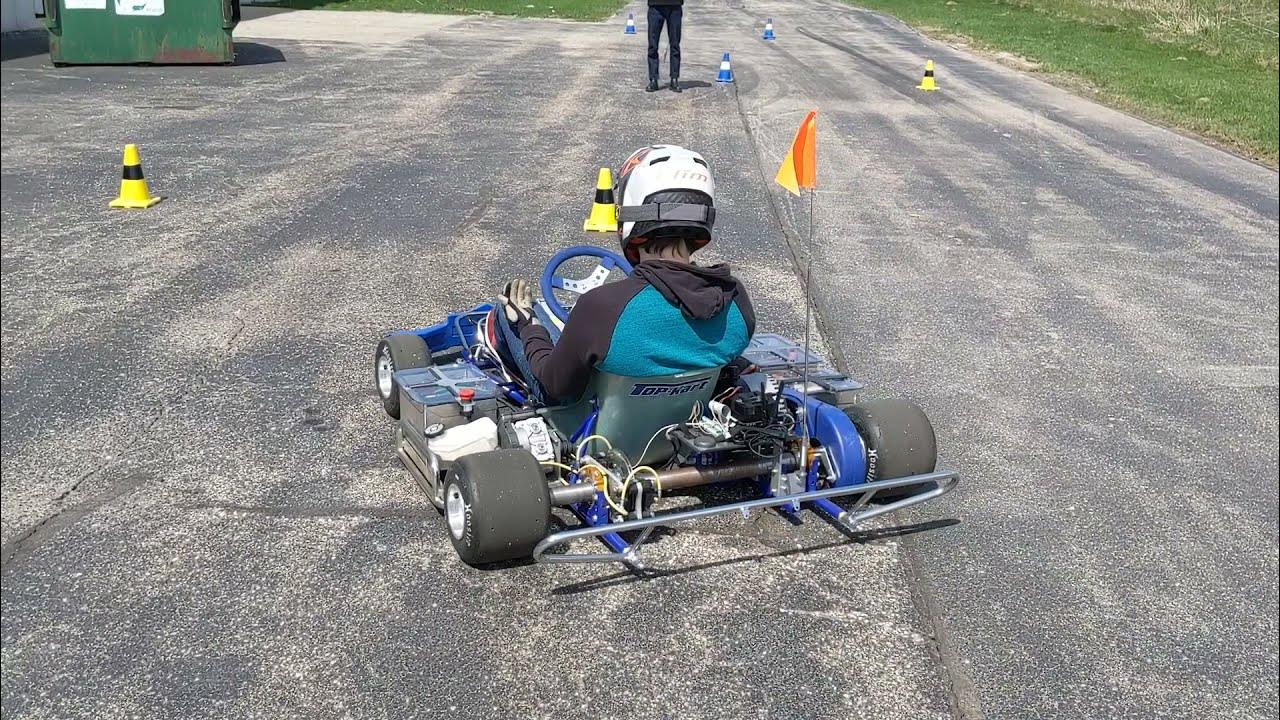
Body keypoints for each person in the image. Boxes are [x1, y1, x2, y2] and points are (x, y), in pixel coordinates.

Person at [492, 145, 755, 405]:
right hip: (687, 428)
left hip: (593, 434)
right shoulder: (736, 302)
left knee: (510, 313)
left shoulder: (601, 306)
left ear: (632, 213)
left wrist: (529, 327)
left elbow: (556, 386)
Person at [645, 0, 683, 92]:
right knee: (652, 46)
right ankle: (653, 79)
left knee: (675, 45)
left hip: (675, 6)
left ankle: (674, 78)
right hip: (655, 7)